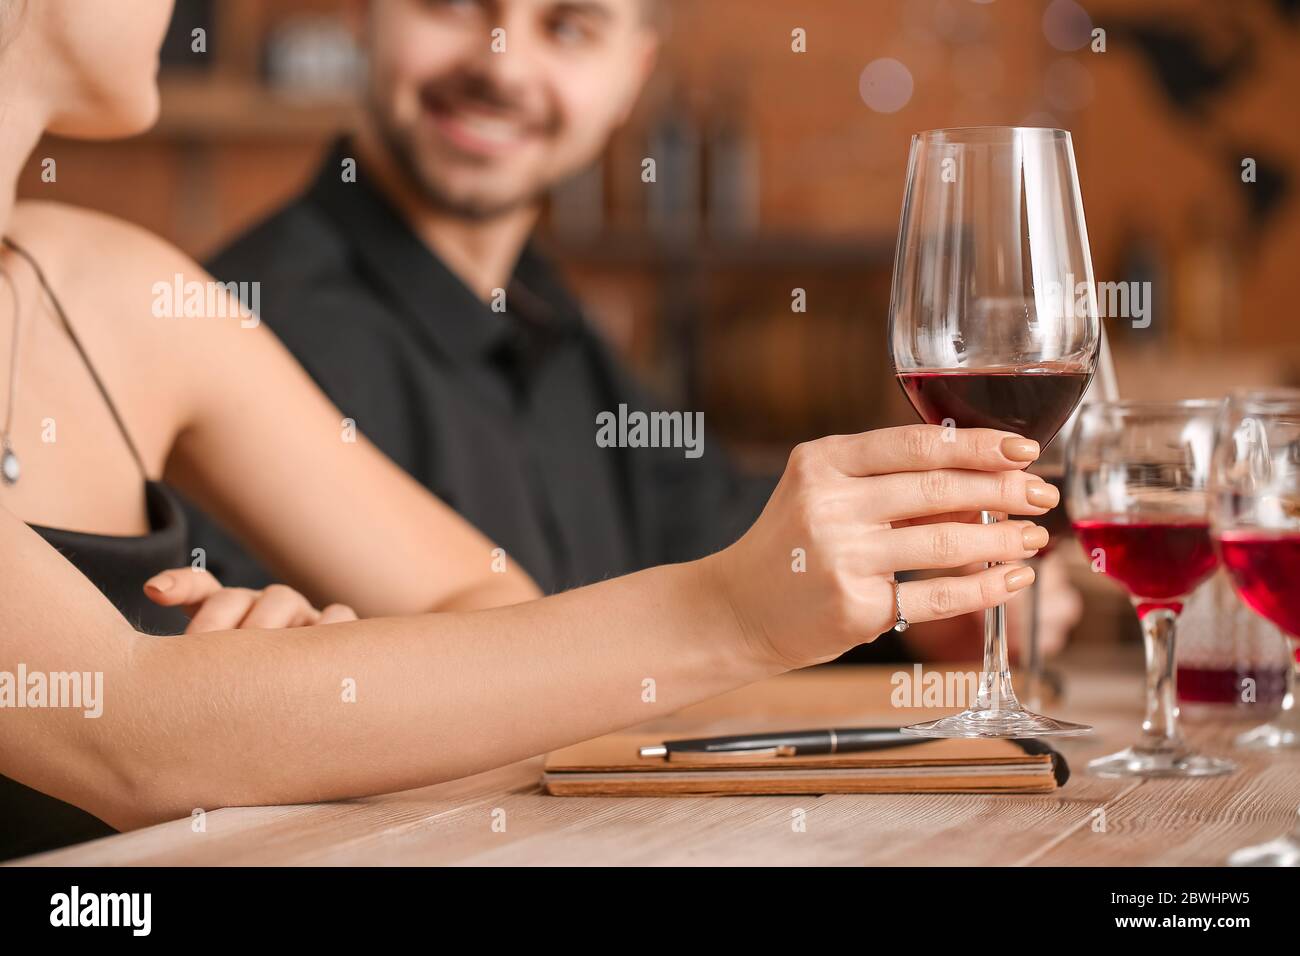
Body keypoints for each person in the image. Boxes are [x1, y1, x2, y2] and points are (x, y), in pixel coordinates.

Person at [0, 0, 1058, 859]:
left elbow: (492, 608)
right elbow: (127, 731)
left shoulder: (120, 286)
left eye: (570, 24)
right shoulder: (264, 299)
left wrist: (330, 689)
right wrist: (735, 608)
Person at [190, 0, 1081, 663]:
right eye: (457, 4)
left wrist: (925, 609)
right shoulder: (230, 328)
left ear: (630, 78)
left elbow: (728, 544)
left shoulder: (555, 322)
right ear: (364, 16)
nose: (504, 66)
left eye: (570, 26)